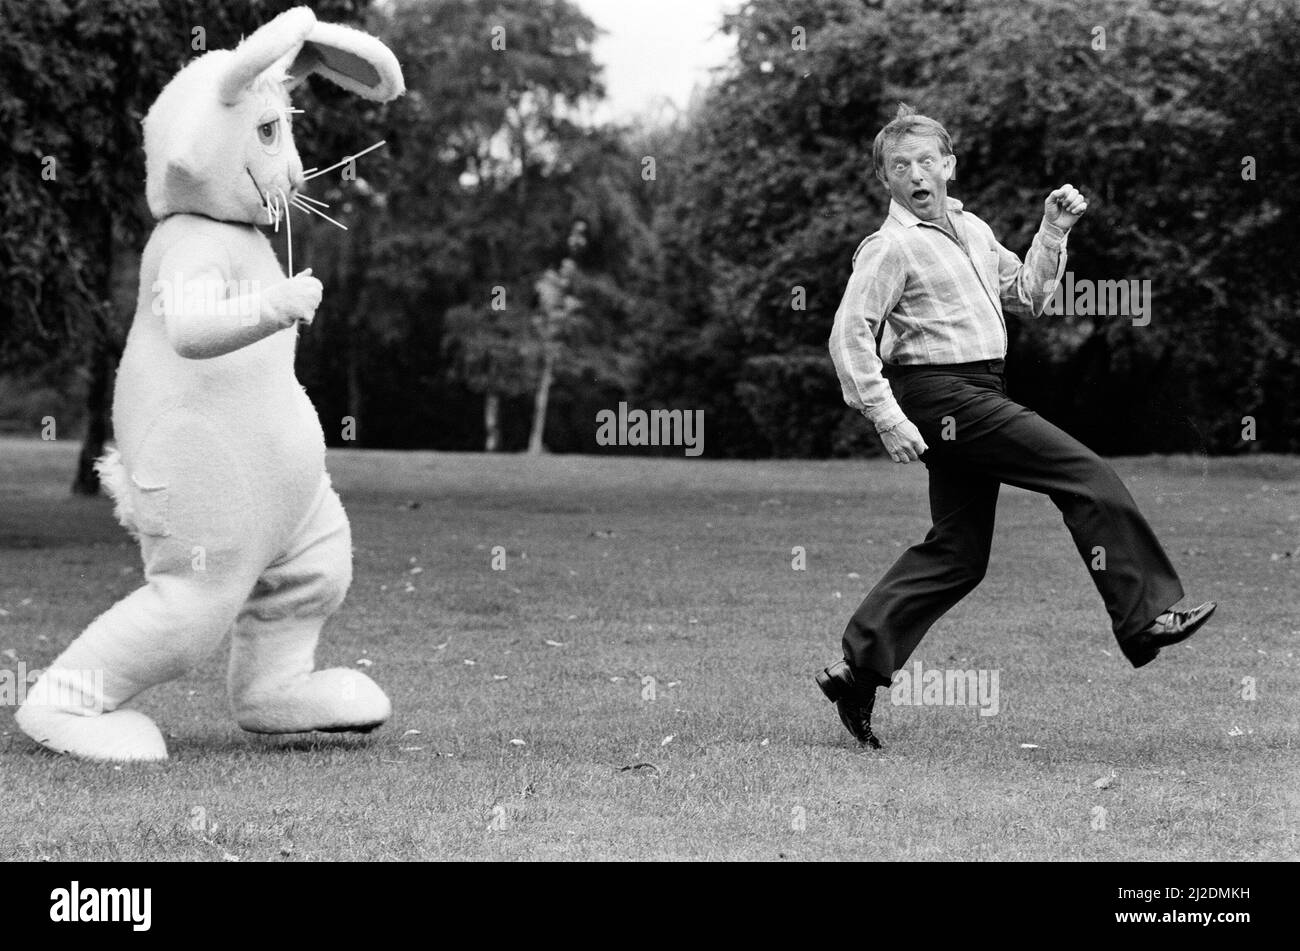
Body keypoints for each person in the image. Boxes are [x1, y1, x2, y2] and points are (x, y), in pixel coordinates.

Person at [817, 104, 1215, 748]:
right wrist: (885, 416)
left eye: (926, 160)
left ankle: (856, 668)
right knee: (1085, 474)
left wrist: (1053, 230)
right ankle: (1145, 618)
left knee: (958, 554)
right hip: (941, 394)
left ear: (948, 164)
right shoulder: (889, 247)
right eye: (900, 166)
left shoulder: (971, 229)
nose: (916, 173)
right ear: (886, 180)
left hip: (978, 388)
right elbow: (849, 335)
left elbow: (1030, 294)